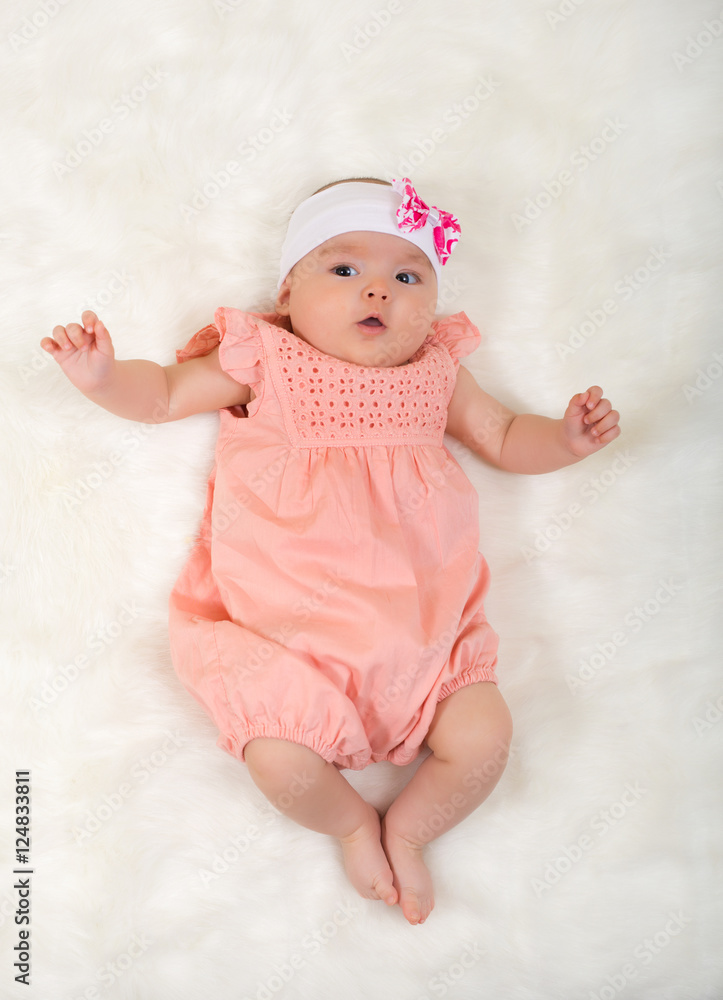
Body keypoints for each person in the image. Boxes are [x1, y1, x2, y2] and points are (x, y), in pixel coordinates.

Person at [41, 177, 620, 925]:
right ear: (287, 291)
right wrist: (103, 378)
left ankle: (409, 831)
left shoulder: (437, 372)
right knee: (278, 759)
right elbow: (161, 396)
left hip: (427, 649)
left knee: (484, 738)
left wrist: (566, 440)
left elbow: (506, 438)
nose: (377, 292)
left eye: (406, 276)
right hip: (289, 648)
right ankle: (350, 823)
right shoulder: (264, 359)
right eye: (344, 270)